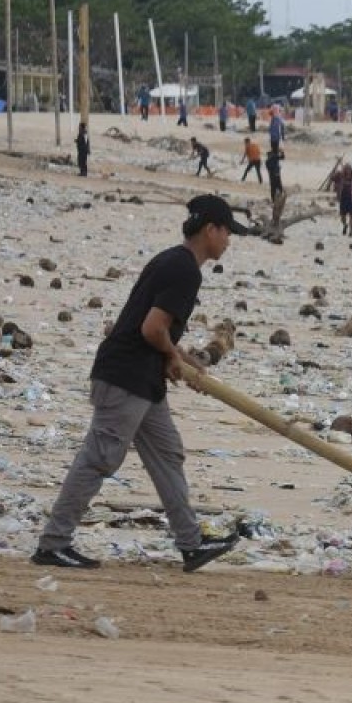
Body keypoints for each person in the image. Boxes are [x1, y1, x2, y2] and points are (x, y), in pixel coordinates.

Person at [32, 195, 249, 572]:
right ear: (210, 229)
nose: (229, 240)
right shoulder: (184, 270)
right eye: (227, 231)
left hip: (142, 379)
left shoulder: (173, 260)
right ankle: (53, 543)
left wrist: (182, 357)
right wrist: (170, 356)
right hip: (125, 377)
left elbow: (153, 326)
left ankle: (191, 543)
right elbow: (151, 330)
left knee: (168, 455)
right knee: (100, 458)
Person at [329, 162, 352, 237]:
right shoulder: (340, 175)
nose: (348, 171)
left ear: (351, 170)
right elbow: (332, 178)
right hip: (342, 198)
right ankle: (345, 225)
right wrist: (336, 173)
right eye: (346, 169)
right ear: (344, 170)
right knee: (342, 216)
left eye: (349, 169)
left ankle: (351, 232)